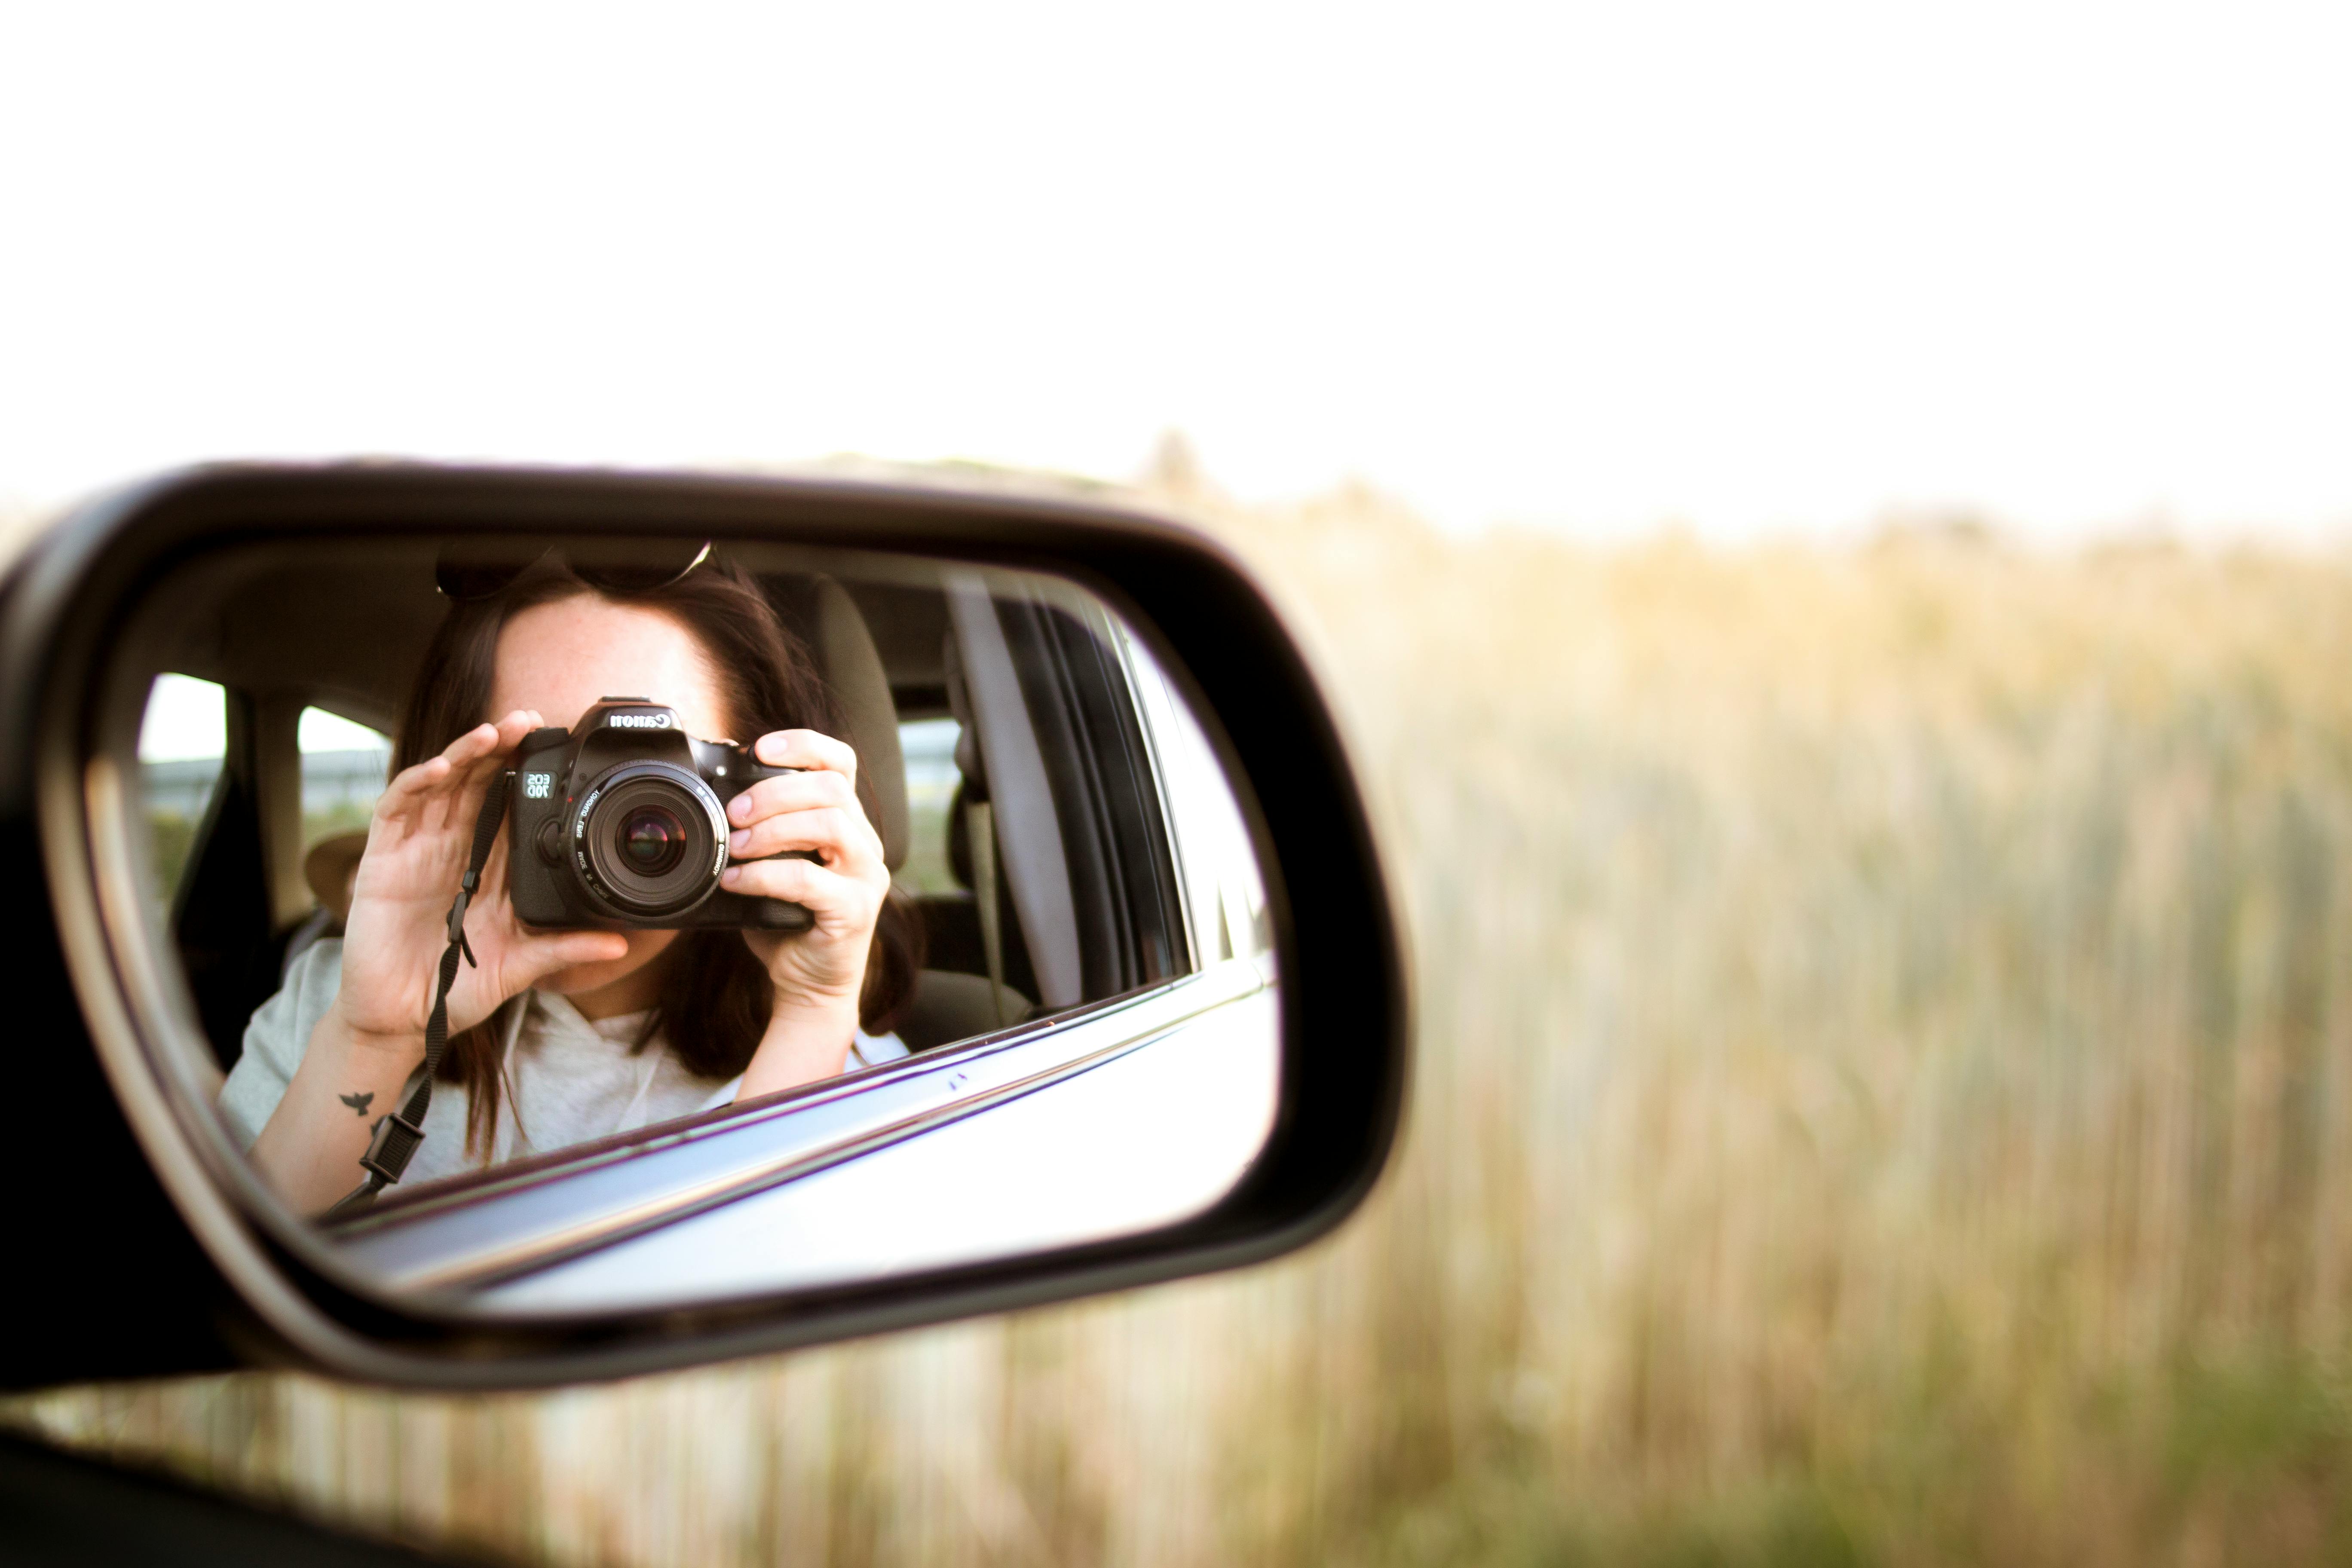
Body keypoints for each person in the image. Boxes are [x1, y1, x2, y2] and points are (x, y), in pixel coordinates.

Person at [220, 554, 919, 1215]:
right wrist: (379, 1038)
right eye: (546, 770)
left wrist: (814, 1015)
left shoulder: (845, 1062)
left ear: (757, 794)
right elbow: (216, 1283)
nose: (594, 830)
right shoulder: (333, 1008)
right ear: (456, 777)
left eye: (654, 777)